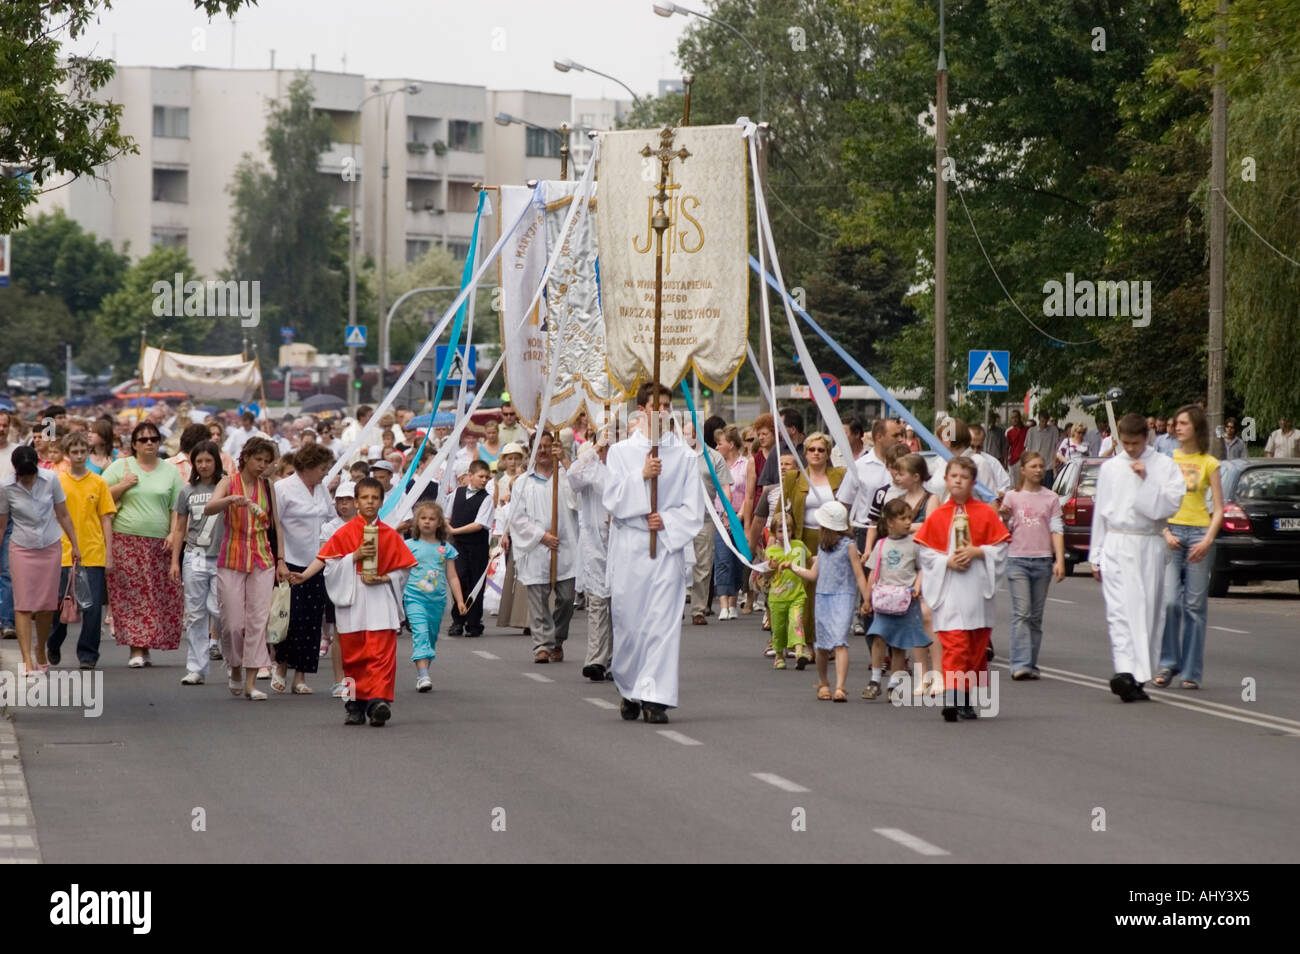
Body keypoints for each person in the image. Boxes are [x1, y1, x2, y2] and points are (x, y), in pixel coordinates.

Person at [603, 382, 704, 725]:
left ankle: (655, 696)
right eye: (656, 405)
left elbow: (694, 509)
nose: (662, 411)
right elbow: (612, 501)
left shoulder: (686, 455)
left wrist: (668, 520)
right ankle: (630, 686)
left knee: (663, 624)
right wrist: (641, 476)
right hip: (632, 547)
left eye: (667, 405)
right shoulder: (620, 453)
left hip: (666, 549)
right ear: (641, 410)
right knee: (630, 623)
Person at [290, 478, 417, 726]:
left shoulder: (390, 534)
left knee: (381, 655)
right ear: (357, 501)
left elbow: (403, 570)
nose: (370, 502)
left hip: (381, 600)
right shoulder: (344, 533)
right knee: (352, 658)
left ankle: (377, 702)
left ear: (382, 501)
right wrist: (309, 573)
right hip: (352, 599)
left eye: (375, 498)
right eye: (365, 498)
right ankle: (353, 705)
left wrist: (385, 577)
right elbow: (328, 561)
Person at [1087, 414, 1187, 703]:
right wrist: (1096, 554)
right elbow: (1101, 513)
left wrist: (1146, 479)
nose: (1130, 449)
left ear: (1147, 438)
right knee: (1118, 611)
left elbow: (1168, 506)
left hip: (1148, 543)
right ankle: (1124, 672)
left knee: (1146, 610)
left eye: (1136, 443)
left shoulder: (1164, 466)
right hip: (1116, 543)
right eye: (1126, 443)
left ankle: (1140, 675)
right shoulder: (1110, 469)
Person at [914, 457, 1011, 721]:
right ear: (946, 480)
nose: (957, 480)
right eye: (953, 476)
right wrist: (947, 560)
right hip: (949, 589)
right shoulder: (938, 516)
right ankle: (953, 697)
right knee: (955, 644)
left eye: (963, 477)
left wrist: (978, 551)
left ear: (973, 483)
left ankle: (966, 698)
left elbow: (1001, 548)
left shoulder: (986, 513)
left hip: (977, 590)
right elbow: (926, 554)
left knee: (975, 648)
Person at [205, 436, 287, 700]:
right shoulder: (228, 482)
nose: (262, 465)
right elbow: (208, 508)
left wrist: (281, 559)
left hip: (262, 556)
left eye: (267, 461)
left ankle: (252, 681)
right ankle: (235, 664)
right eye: (258, 459)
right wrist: (230, 500)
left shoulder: (268, 486)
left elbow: (276, 524)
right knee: (232, 623)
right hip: (232, 554)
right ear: (246, 458)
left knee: (257, 620)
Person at [102, 422, 184, 668]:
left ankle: (146, 644)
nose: (149, 442)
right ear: (134, 444)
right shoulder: (121, 466)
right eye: (143, 439)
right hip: (125, 539)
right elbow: (100, 497)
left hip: (159, 542)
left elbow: (176, 508)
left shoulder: (169, 471)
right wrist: (124, 485)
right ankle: (136, 648)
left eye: (153, 438)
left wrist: (172, 533)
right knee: (132, 595)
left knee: (155, 595)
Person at [1154, 405, 1224, 691]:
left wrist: (1207, 539)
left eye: (1183, 423)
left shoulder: (1210, 463)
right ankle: (1169, 662)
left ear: (1195, 427)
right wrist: (1165, 531)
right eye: (1175, 423)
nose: (1177, 427)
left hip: (1198, 533)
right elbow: (1155, 503)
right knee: (1170, 601)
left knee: (1195, 607)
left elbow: (1219, 508)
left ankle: (1191, 671)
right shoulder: (1166, 460)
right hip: (1172, 531)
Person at [0, 445, 81, 675]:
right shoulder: (6, 487)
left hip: (50, 545)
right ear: (16, 472)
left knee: (46, 605)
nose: (27, 480)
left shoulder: (50, 479)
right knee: (23, 604)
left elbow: (63, 513)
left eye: (30, 475)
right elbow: (2, 525)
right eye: (22, 476)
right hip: (21, 547)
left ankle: (40, 648)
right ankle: (26, 660)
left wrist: (75, 545)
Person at [508, 431, 579, 663]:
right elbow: (517, 518)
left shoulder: (566, 477)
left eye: (548, 446)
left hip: (565, 545)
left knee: (567, 598)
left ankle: (557, 638)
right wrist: (541, 536)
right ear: (532, 450)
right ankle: (542, 645)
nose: (543, 451)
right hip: (537, 546)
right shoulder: (523, 483)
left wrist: (566, 463)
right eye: (539, 447)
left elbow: (579, 499)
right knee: (538, 600)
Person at [46, 433, 115, 670]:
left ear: (88, 452)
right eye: (74, 451)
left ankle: (88, 654)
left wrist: (109, 553)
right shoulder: (57, 481)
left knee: (93, 607)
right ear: (67, 454)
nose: (78, 456)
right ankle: (53, 641)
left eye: (82, 451)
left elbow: (106, 518)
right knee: (60, 604)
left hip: (92, 550)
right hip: (63, 551)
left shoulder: (98, 482)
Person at [788, 501, 869, 703]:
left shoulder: (849, 546)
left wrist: (867, 600)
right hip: (823, 597)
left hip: (843, 596)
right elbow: (814, 575)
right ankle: (823, 682)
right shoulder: (822, 549)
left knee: (840, 641)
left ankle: (840, 686)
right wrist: (793, 567)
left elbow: (859, 575)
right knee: (822, 645)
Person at [271, 444, 335, 694]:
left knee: (310, 621)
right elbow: (275, 526)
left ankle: (301, 675)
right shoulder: (283, 488)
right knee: (288, 618)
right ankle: (281, 667)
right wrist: (280, 560)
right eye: (321, 468)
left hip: (317, 562)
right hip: (289, 560)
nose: (324, 473)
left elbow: (330, 519)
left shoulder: (321, 490)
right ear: (307, 466)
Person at [998, 451, 1065, 680]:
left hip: (1042, 560)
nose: (1038, 470)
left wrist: (1060, 560)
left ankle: (1031, 663)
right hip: (1017, 559)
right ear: (1023, 470)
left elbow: (1056, 528)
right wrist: (1004, 517)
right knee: (1022, 612)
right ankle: (1019, 664)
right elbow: (1004, 531)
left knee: (1036, 616)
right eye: (1033, 466)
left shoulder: (1051, 498)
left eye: (1041, 466)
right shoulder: (1012, 497)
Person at [169, 441, 225, 684]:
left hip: (223, 557)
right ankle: (196, 667)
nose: (203, 465)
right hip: (195, 555)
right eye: (199, 461)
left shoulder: (226, 486)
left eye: (208, 461)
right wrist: (175, 561)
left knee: (219, 609)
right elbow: (180, 527)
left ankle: (231, 656)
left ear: (216, 462)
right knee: (195, 614)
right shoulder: (187, 490)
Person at [865, 498, 931, 701]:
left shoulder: (915, 544)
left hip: (906, 601)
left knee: (898, 644)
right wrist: (866, 600)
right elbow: (873, 573)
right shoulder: (882, 544)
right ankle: (875, 680)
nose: (908, 522)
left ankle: (894, 682)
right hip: (884, 601)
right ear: (891, 522)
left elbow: (922, 568)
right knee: (878, 638)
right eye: (903, 518)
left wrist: (918, 584)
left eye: (909, 518)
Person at [404, 500, 467, 692]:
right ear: (416, 522)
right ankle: (424, 675)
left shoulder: (445, 548)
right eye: (423, 518)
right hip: (414, 598)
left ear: (439, 523)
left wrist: (460, 600)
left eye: (432, 519)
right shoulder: (408, 545)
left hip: (437, 602)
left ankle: (423, 672)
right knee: (421, 633)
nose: (427, 522)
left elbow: (452, 576)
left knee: (430, 637)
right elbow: (398, 572)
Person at [565, 436, 613, 681]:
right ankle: (595, 659)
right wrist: (592, 450)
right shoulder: (589, 465)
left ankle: (616, 660)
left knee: (620, 607)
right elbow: (573, 478)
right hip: (594, 544)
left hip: (620, 543)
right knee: (597, 603)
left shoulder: (623, 465)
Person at [683, 419, 730, 626]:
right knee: (677, 566)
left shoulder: (714, 457)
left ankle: (698, 609)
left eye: (691, 433)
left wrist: (727, 510)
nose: (687, 438)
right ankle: (674, 608)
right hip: (679, 518)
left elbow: (724, 486)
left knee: (703, 565)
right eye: (684, 433)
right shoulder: (676, 455)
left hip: (705, 518)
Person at [319, 481, 358, 698]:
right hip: (338, 585)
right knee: (340, 634)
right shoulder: (329, 527)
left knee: (360, 637)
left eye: (348, 500)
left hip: (363, 586)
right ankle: (339, 681)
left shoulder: (367, 525)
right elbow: (325, 557)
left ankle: (357, 682)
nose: (344, 505)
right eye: (340, 501)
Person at [447, 459, 494, 637]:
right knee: (459, 579)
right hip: (458, 546)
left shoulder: (486, 498)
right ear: (470, 476)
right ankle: (458, 620)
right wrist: (448, 527)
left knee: (476, 582)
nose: (484, 480)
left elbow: (479, 524)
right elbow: (447, 514)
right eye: (481, 476)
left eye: (486, 478)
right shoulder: (457, 493)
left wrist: (455, 530)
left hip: (477, 546)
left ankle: (474, 622)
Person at [761, 508, 811, 670]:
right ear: (774, 533)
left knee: (796, 622)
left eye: (788, 530)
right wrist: (770, 567)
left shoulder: (799, 546)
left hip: (797, 594)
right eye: (780, 531)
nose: (785, 534)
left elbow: (810, 559)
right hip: (777, 597)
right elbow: (766, 576)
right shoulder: (771, 551)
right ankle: (779, 654)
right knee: (779, 628)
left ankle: (798, 651)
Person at [712, 425, 748, 620]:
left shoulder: (745, 464)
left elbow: (748, 492)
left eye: (720, 443)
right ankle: (724, 603)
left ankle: (733, 600)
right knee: (722, 557)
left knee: (737, 559)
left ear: (731, 444)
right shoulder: (716, 464)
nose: (717, 447)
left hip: (739, 514)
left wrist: (740, 514)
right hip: (720, 514)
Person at [1024, 412, 1061, 488]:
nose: (1044, 424)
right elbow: (1027, 449)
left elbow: (1057, 448)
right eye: (1042, 421)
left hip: (1048, 466)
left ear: (1048, 420)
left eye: (1045, 421)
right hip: (1034, 465)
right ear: (1039, 419)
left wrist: (1055, 465)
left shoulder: (1053, 430)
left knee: (1048, 489)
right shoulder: (1031, 431)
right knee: (1034, 489)